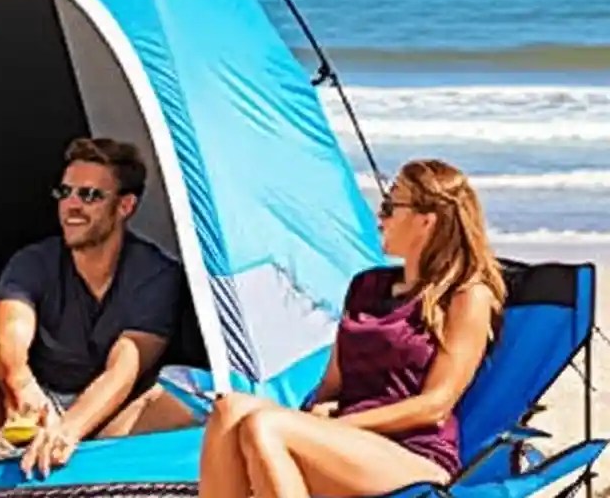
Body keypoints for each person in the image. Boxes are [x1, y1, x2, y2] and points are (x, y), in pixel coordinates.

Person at [183, 158, 506, 498]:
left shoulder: (465, 296)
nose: (379, 218)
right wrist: (317, 410)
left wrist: (337, 425)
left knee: (264, 427)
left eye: (390, 207)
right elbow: (332, 384)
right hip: (342, 440)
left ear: (426, 221)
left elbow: (435, 406)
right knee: (228, 409)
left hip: (410, 454)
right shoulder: (366, 286)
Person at [0, 137, 185, 479]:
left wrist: (68, 430)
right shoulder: (33, 262)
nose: (71, 205)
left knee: (192, 397)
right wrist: (26, 390)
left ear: (125, 206)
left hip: (111, 416)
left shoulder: (156, 273)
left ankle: (101, 476)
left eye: (89, 195)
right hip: (36, 405)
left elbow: (124, 368)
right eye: (65, 192)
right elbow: (7, 337)